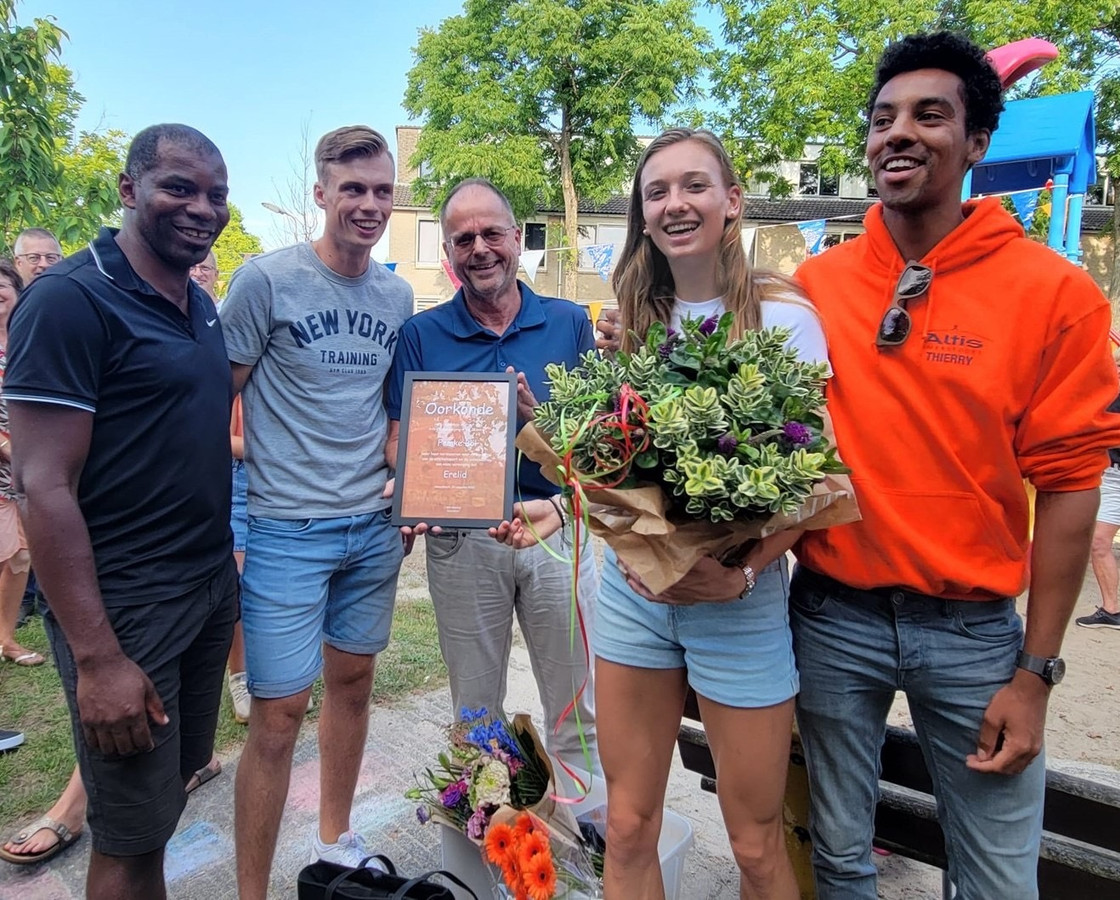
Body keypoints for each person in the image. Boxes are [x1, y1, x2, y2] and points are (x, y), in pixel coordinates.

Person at [787, 33, 1120, 900]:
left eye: (930, 115)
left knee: (998, 880)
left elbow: (1073, 486)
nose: (899, 133)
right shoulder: (812, 289)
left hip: (974, 637)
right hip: (830, 619)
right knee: (839, 863)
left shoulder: (1055, 295)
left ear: (978, 141)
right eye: (883, 117)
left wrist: (1036, 670)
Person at [500, 129, 827, 900]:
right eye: (657, 192)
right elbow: (614, 465)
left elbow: (820, 484)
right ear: (643, 215)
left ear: (732, 201)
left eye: (694, 186)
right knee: (627, 825)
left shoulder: (784, 316)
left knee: (753, 844)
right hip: (633, 602)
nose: (675, 203)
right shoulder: (629, 319)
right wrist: (573, 507)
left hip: (736, 606)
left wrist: (741, 575)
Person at [2, 124, 238, 898]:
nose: (201, 207)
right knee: (129, 838)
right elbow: (44, 486)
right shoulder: (70, 300)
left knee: (161, 811)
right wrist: (98, 660)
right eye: (179, 187)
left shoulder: (198, 306)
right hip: (124, 610)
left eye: (215, 194)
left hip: (204, 590)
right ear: (130, 191)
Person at [220, 125, 413, 899]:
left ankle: (335, 838)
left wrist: (414, 490)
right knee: (276, 716)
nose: (368, 205)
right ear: (321, 193)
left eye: (382, 191)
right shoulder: (265, 281)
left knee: (355, 685)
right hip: (285, 528)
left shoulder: (398, 295)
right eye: (353, 189)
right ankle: (251, 892)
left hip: (372, 528)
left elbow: (395, 416)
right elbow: (216, 397)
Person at [385, 178, 600, 773]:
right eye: (462, 239)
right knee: (477, 712)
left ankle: (586, 828)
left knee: (577, 706)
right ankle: (490, 837)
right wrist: (414, 487)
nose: (479, 248)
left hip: (556, 533)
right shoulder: (420, 335)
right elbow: (400, 440)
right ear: (450, 254)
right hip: (463, 541)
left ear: (516, 239)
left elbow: (599, 447)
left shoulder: (569, 323)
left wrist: (541, 420)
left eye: (491, 233)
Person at [12, 227, 62, 628]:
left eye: (51, 258)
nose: (43, 265)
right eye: (34, 258)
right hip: (21, 455)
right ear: (18, 264)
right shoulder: (19, 313)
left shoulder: (66, 307)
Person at [0, 259, 38, 668]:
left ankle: (6, 638)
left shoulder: (31, 340)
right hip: (9, 464)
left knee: (21, 558)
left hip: (28, 474)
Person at [1079, 351, 1120, 631]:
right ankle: (1112, 609)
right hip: (1112, 473)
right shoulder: (1109, 390)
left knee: (1099, 542)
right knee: (1098, 542)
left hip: (1115, 473)